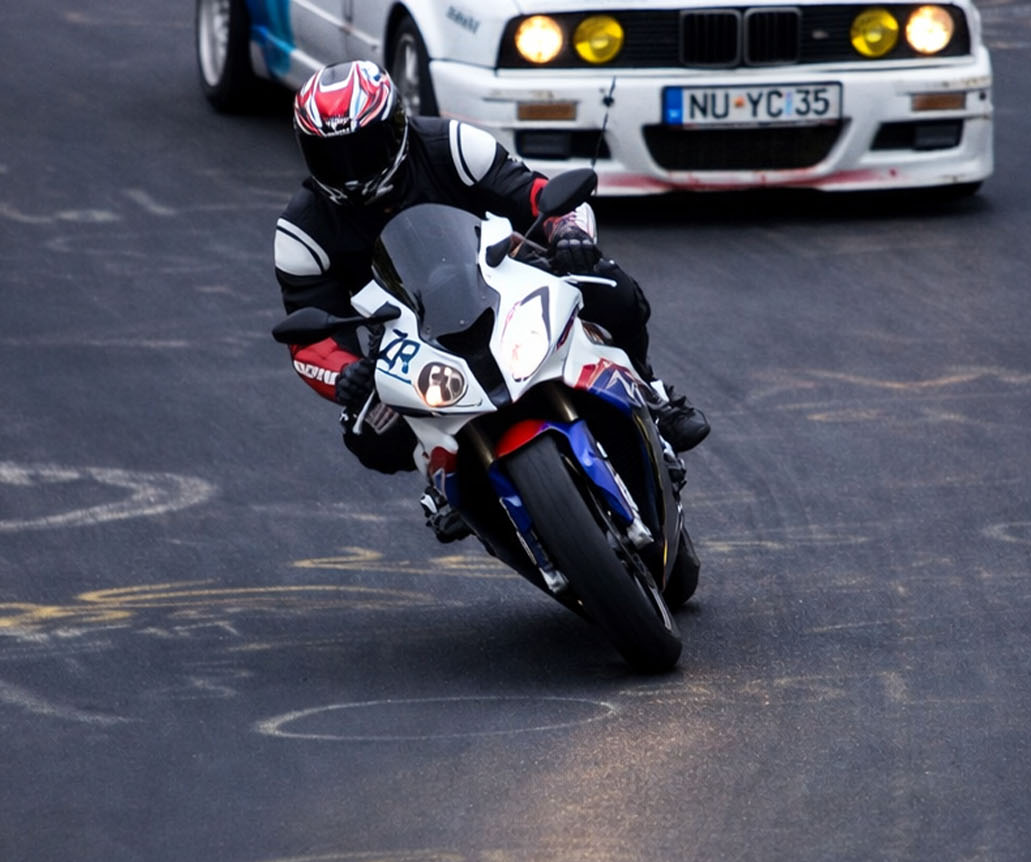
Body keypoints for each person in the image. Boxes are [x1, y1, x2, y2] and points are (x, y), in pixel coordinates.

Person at [274, 60, 709, 536]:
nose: (352, 170)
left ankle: (652, 394)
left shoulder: (454, 145)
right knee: (369, 433)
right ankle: (443, 475)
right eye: (333, 157)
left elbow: (536, 194)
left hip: (506, 276)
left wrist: (566, 232)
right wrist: (346, 374)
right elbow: (306, 338)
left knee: (613, 292)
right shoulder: (301, 231)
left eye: (364, 150)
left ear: (397, 127)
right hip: (405, 337)